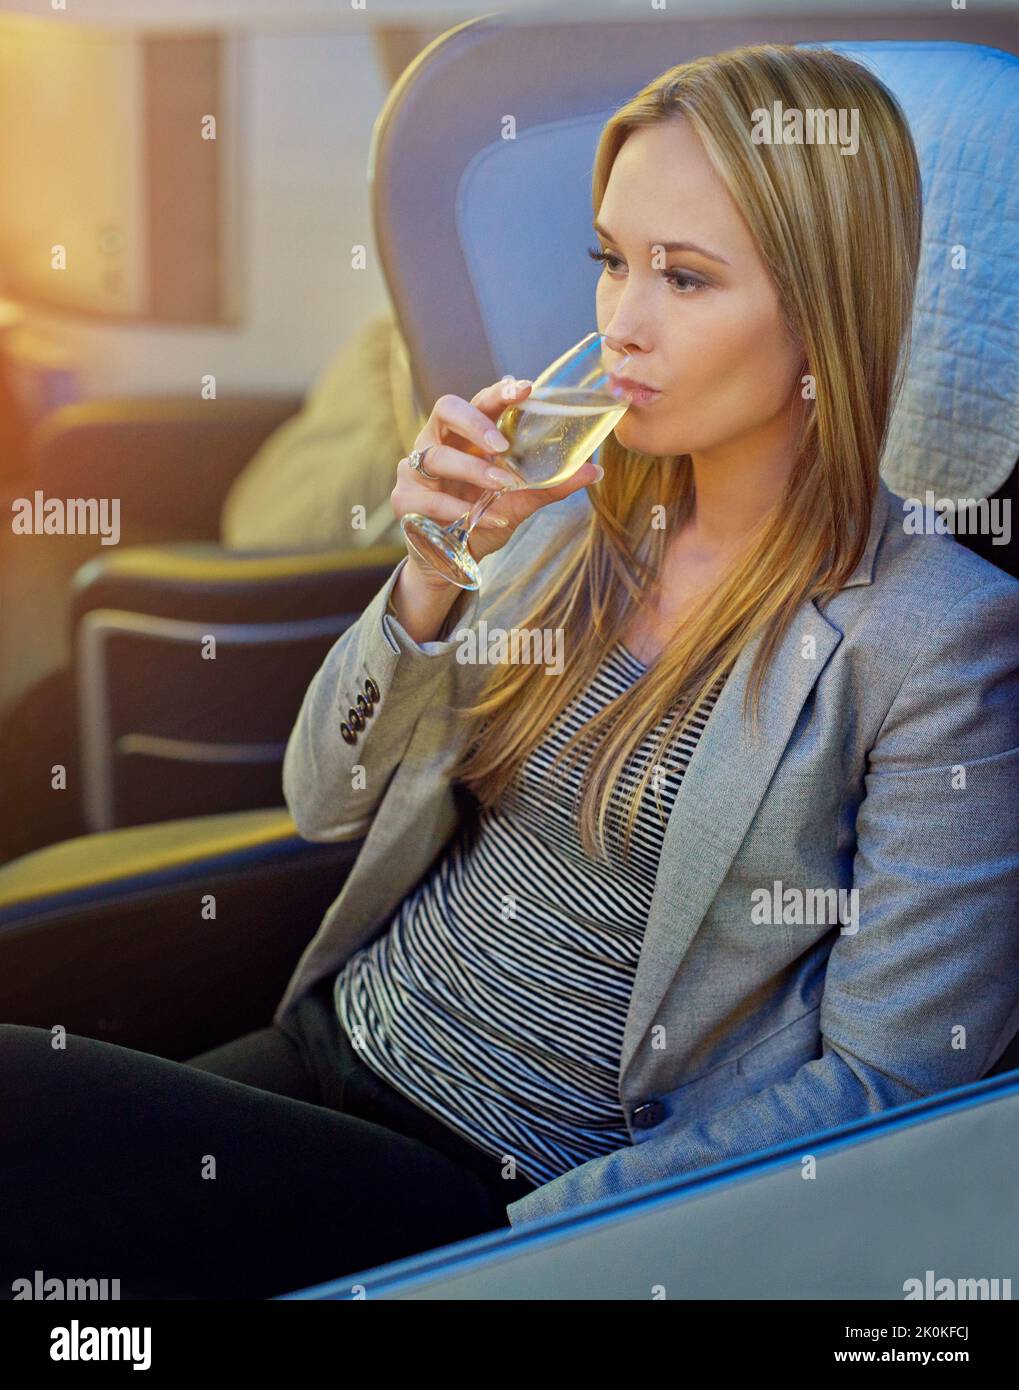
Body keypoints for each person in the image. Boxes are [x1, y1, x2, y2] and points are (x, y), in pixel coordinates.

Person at [3, 43, 1017, 1301]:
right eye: (611, 260)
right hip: (339, 1034)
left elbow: (893, 1080)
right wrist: (428, 575)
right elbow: (324, 797)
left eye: (684, 278)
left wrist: (540, 1241)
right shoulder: (567, 510)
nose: (616, 325)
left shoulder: (936, 635)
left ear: (825, 311)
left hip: (502, 1184)